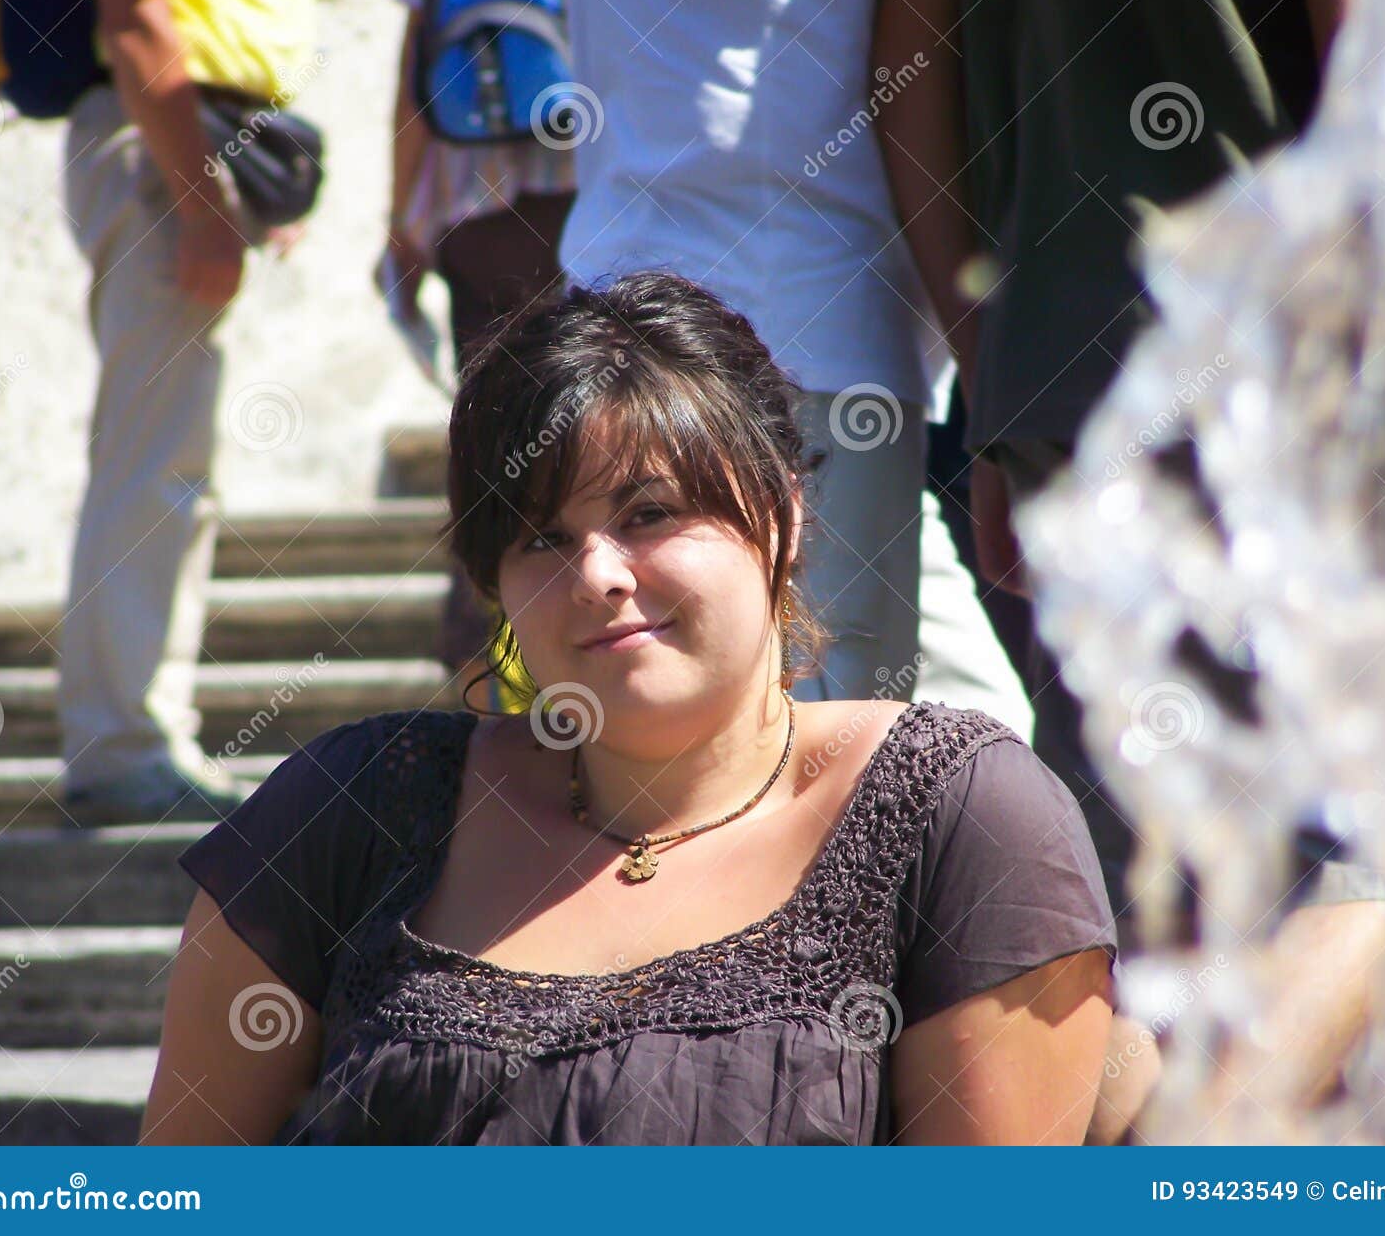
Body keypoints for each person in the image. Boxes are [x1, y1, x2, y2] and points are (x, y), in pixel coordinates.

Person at [140, 272, 1116, 1145]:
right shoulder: (350, 810)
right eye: (541, 537)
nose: (597, 575)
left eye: (648, 514)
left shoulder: (952, 815)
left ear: (779, 515)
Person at [872, 0, 1385, 1144]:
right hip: (1295, 355)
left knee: (1138, 886)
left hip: (1061, 360)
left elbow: (906, 47)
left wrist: (991, 365)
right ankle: (1192, 1156)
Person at [551, 0, 1032, 736]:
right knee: (831, 748)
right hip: (804, 321)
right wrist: (988, 374)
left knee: (973, 725)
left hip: (632, 311)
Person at [51, 0, 316, 825]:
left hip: (188, 144)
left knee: (170, 464)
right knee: (154, 463)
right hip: (164, 151)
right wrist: (199, 201)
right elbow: (136, 20)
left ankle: (142, 739)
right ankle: (121, 749)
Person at [385, 0, 577, 689]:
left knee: (495, 452)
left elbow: (410, 87)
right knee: (589, 439)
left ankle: (485, 681)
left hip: (475, 222)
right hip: (577, 207)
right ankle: (567, 675)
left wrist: (400, 221)